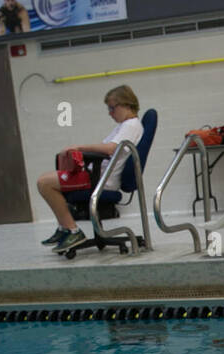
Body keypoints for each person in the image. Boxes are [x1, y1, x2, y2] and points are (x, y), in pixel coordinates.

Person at [36, 84, 144, 254]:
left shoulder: (131, 126)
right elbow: (108, 148)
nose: (110, 113)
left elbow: (110, 149)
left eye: (112, 108)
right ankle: (65, 227)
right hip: (96, 176)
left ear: (126, 104)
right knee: (48, 179)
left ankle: (72, 231)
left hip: (100, 180)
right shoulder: (125, 126)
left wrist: (79, 147)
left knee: (44, 183)